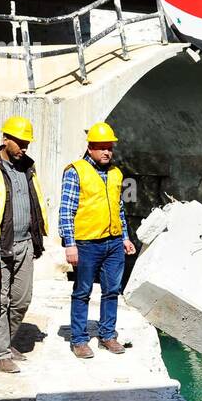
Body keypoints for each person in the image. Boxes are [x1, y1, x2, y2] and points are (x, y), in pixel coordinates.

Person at [59, 121, 136, 358]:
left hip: (113, 242)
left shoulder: (116, 173)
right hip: (86, 243)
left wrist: (124, 237)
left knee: (112, 290)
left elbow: (119, 208)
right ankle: (80, 339)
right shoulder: (76, 171)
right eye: (101, 147)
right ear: (90, 147)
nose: (107, 152)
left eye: (109, 147)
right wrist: (69, 244)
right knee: (82, 291)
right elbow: (66, 210)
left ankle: (108, 335)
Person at [0, 115, 50, 374]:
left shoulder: (27, 167)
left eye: (27, 143)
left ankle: (6, 341)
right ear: (5, 139)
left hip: (25, 243)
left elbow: (36, 203)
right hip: (0, 245)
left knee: (22, 299)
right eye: (20, 143)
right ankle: (0, 352)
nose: (24, 148)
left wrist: (38, 237)